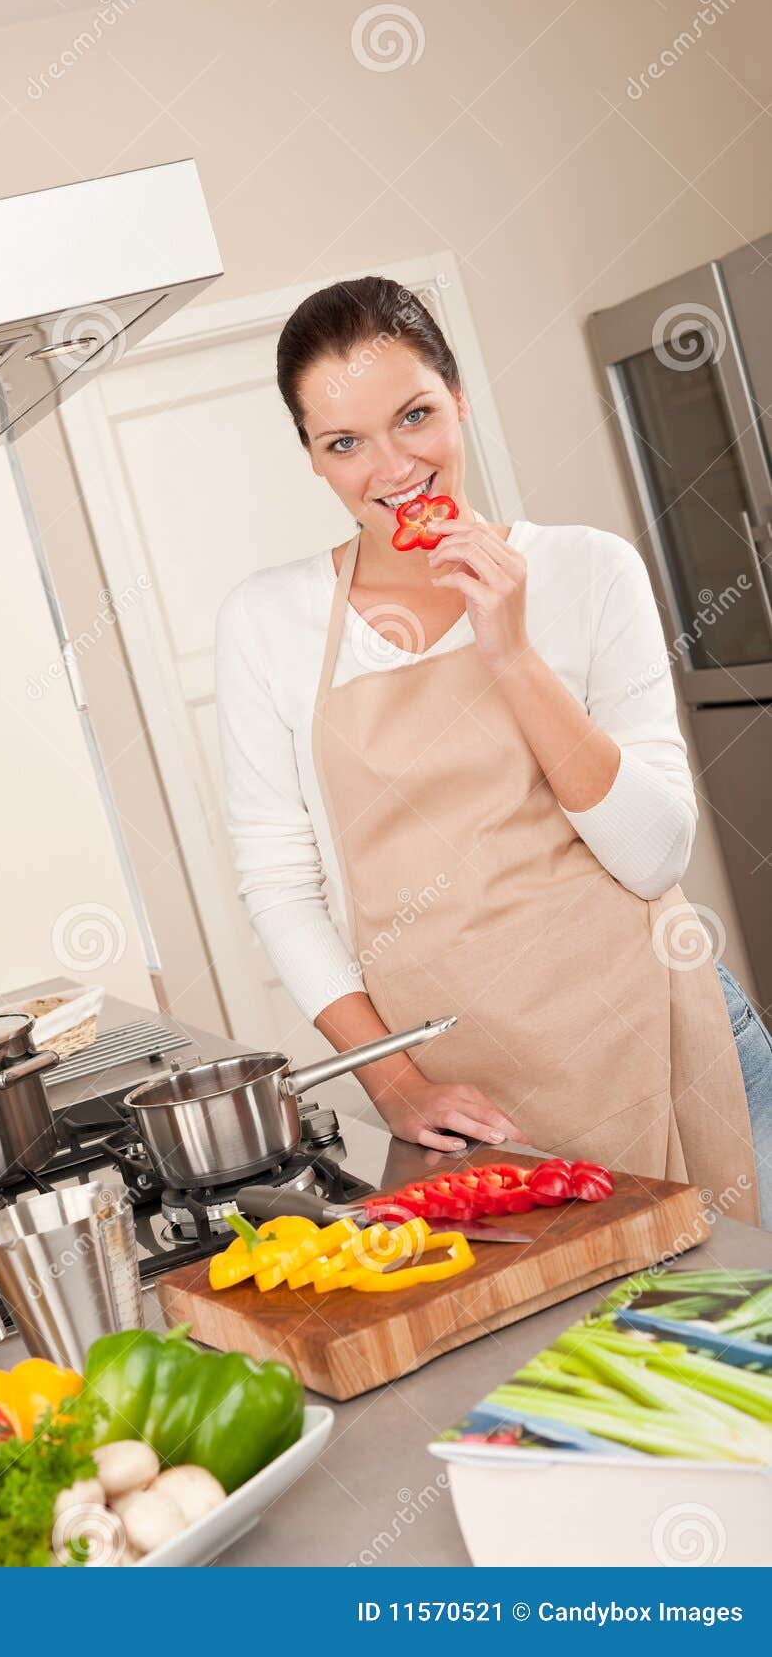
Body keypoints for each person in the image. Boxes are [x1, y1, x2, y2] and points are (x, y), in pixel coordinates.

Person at [215, 275, 769, 1226]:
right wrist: (391, 1085)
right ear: (310, 458)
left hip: (670, 1032)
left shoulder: (588, 569)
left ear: (459, 399)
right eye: (343, 442)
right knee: (580, 1365)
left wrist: (508, 649)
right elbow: (278, 885)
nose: (391, 468)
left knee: (738, 1349)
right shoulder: (267, 620)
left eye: (415, 416)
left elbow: (654, 855)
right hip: (471, 1092)